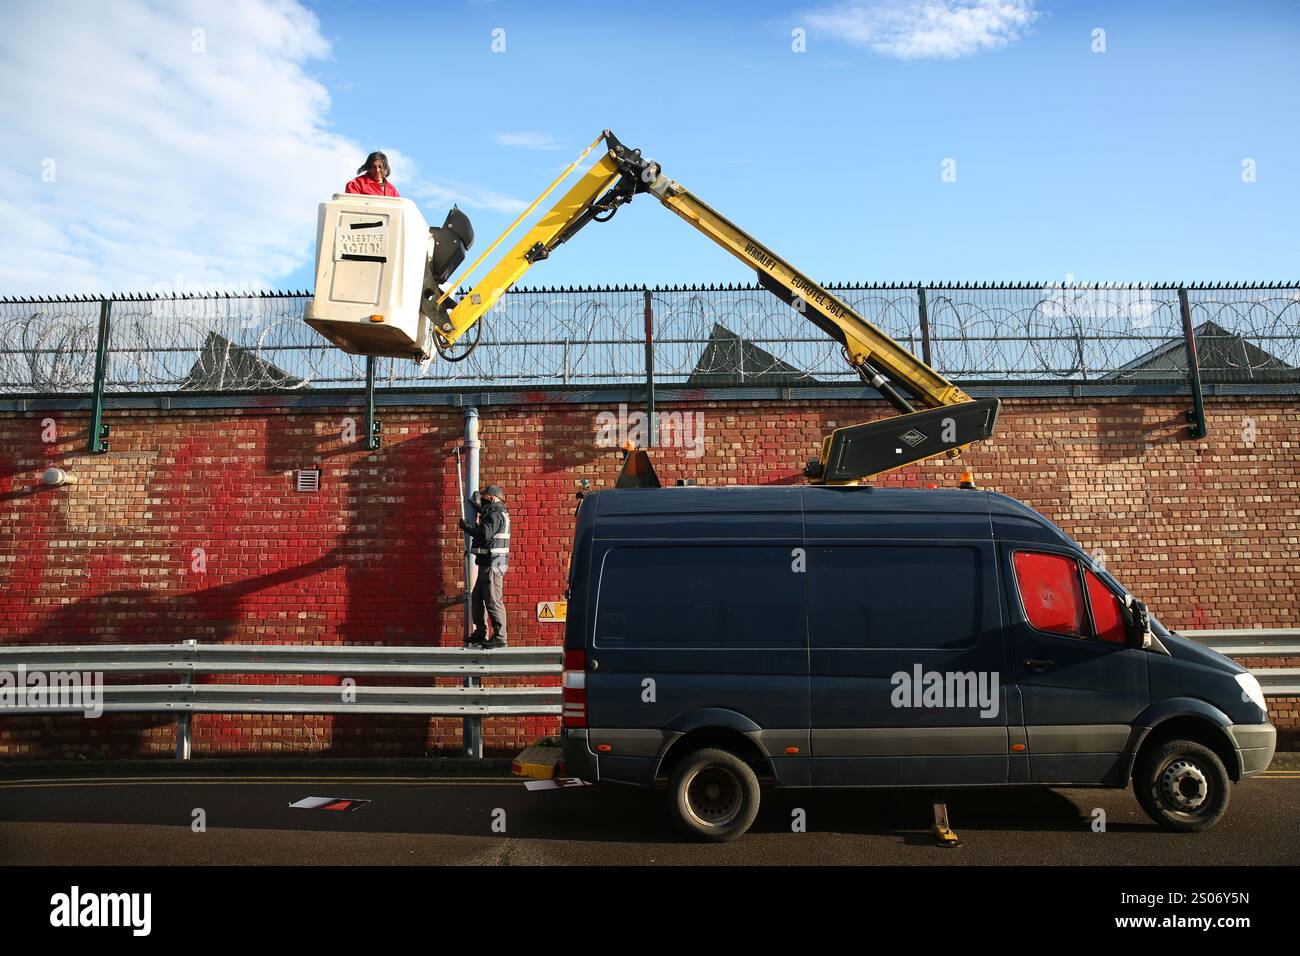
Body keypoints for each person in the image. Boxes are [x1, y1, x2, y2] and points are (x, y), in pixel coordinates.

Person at [459, 485, 510, 648]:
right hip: (489, 562)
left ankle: (500, 636)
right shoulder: (494, 513)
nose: (482, 500)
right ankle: (480, 631)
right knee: (477, 598)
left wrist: (467, 527)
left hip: (494, 563)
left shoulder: (495, 515)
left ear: (493, 498)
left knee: (493, 599)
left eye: (484, 497)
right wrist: (479, 509)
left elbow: (484, 533)